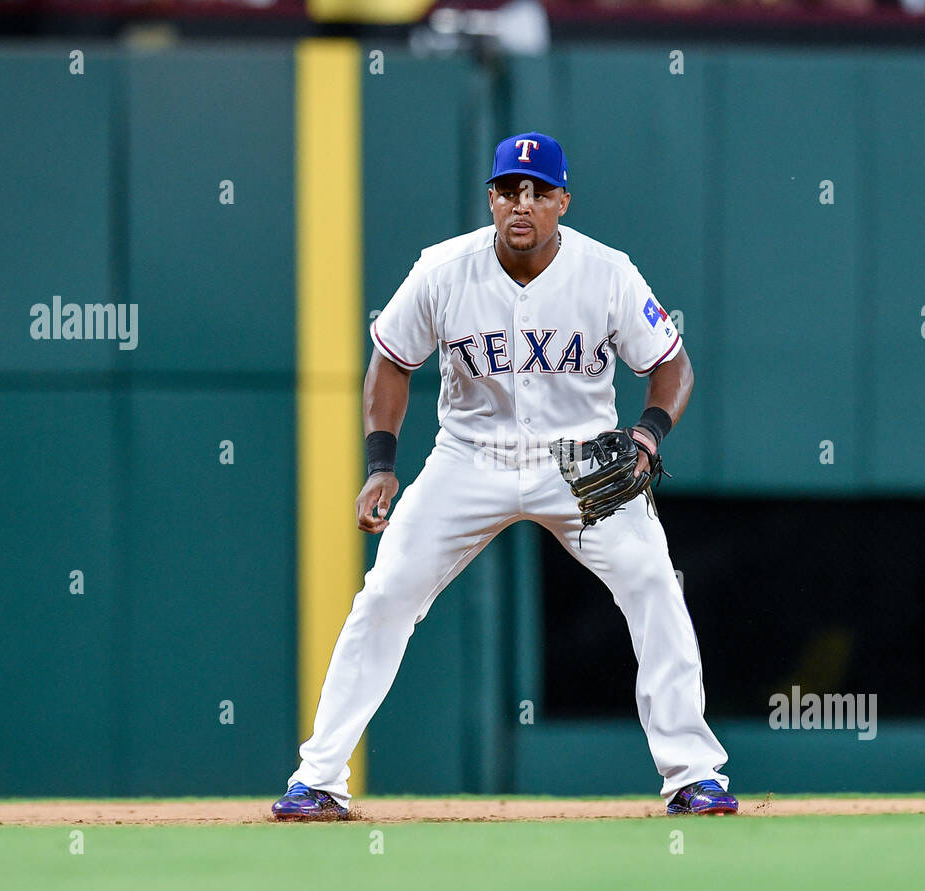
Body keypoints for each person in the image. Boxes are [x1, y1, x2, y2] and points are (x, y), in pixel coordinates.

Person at [272, 132, 735, 819]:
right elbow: (393, 360)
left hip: (581, 461)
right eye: (509, 190)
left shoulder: (606, 272)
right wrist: (380, 465)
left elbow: (672, 363)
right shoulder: (442, 269)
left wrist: (648, 432)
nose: (523, 203)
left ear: (562, 202)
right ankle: (317, 779)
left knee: (651, 584)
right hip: (469, 458)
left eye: (539, 192)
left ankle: (694, 775)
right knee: (389, 591)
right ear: (491, 198)